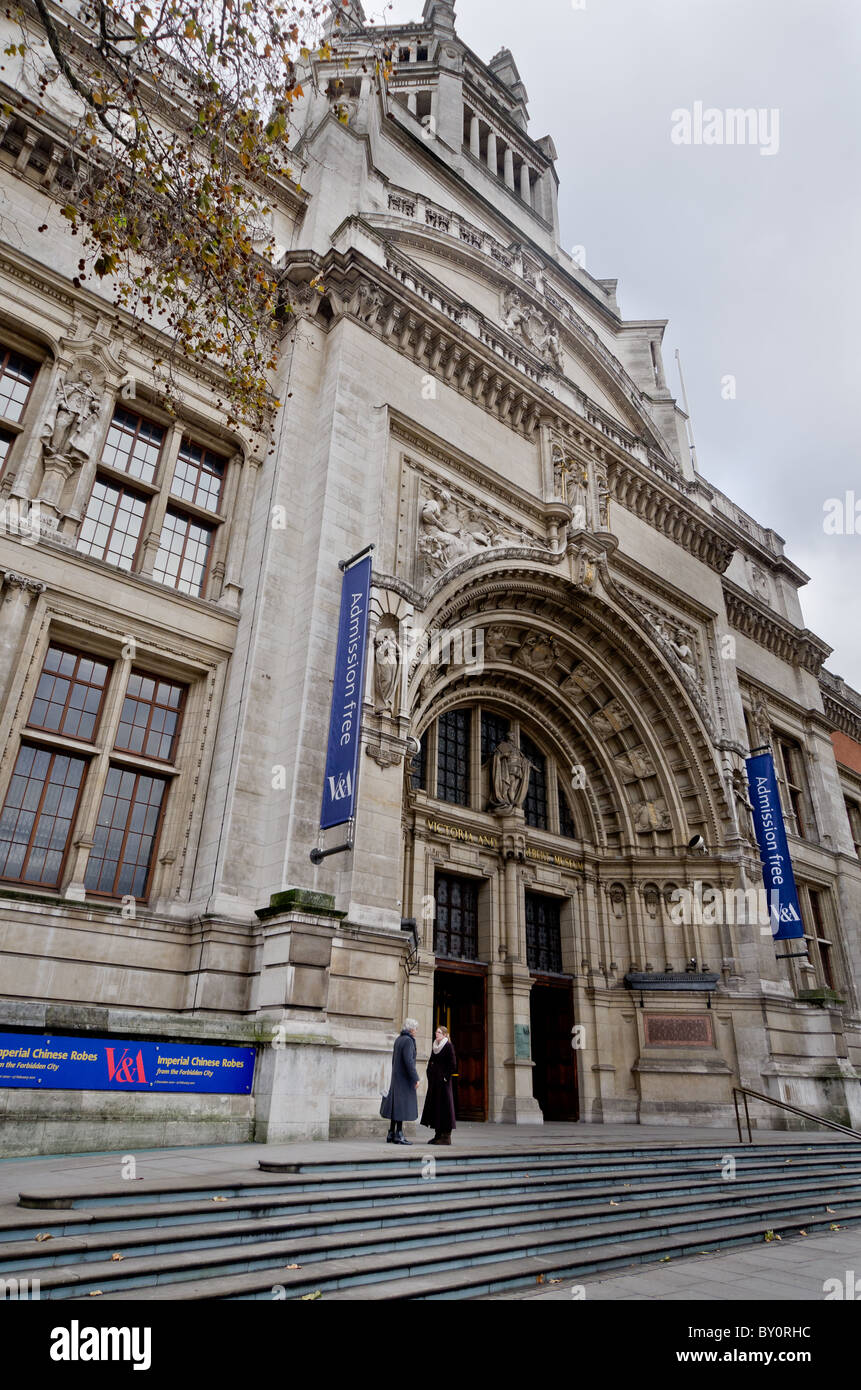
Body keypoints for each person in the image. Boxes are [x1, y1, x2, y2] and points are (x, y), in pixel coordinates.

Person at [381, 1018, 419, 1145]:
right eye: (416, 1029)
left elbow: (394, 1060)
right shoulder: (408, 1041)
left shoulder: (399, 1039)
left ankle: (391, 1133)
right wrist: (415, 1078)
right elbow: (409, 1062)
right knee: (401, 1107)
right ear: (411, 1029)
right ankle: (399, 1134)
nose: (416, 1031)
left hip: (397, 1077)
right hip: (404, 1079)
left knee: (395, 1106)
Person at [420, 1025, 457, 1145]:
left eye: (439, 1032)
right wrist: (429, 1073)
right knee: (436, 1107)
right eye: (436, 1032)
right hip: (435, 1083)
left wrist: (445, 1077)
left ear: (445, 1035)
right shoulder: (435, 1045)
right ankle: (437, 1135)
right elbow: (431, 1060)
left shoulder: (448, 1046)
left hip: (444, 1084)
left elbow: (452, 1064)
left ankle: (446, 1136)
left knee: (445, 1108)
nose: (437, 1034)